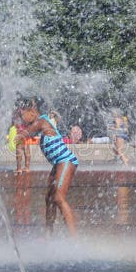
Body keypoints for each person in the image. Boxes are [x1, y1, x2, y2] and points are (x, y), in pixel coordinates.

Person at [17, 97, 78, 236]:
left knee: (58, 198)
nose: (21, 120)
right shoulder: (41, 123)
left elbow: (24, 134)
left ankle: (74, 239)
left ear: (32, 111)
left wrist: (19, 136)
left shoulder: (41, 121)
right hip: (59, 164)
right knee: (49, 199)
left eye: (22, 115)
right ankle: (48, 234)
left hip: (66, 161)